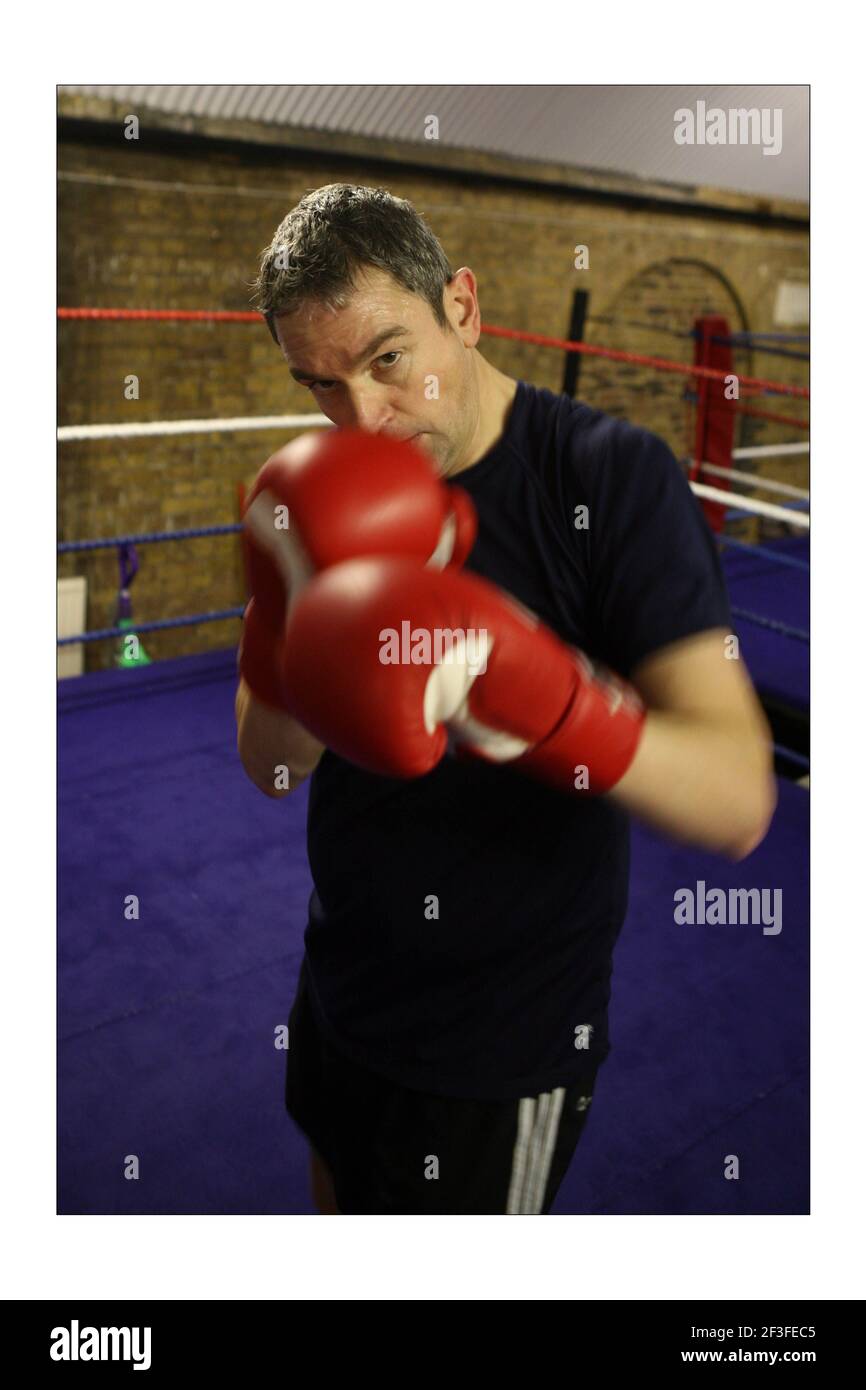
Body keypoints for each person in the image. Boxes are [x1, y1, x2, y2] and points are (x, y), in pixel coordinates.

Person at [236, 183, 776, 1214]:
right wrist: (286, 618)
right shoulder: (318, 489)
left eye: (385, 360)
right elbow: (269, 767)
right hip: (341, 984)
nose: (361, 417)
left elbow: (736, 795)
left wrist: (553, 702)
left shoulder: (610, 479)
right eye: (318, 384)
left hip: (500, 1045)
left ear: (464, 309)